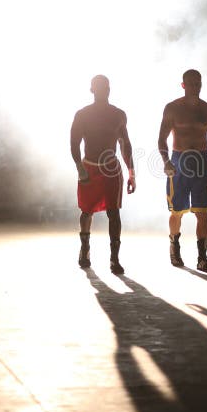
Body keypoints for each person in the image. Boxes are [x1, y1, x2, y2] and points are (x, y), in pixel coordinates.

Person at [71, 75, 136, 274]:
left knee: (114, 212)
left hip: (111, 168)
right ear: (92, 90)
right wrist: (81, 170)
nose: (103, 90)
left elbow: (125, 144)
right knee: (86, 212)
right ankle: (85, 249)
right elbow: (74, 144)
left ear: (109, 89)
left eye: (105, 87)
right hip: (89, 166)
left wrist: (131, 171)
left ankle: (114, 258)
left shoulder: (118, 115)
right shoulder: (82, 114)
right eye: (98, 88)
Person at [158, 69, 207, 272]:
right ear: (183, 85)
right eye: (191, 84)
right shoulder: (172, 108)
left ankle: (202, 258)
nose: (195, 87)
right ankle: (174, 248)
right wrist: (166, 161)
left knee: (202, 212)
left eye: (198, 83)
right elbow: (161, 138)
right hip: (179, 162)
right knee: (177, 211)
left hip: (201, 162)